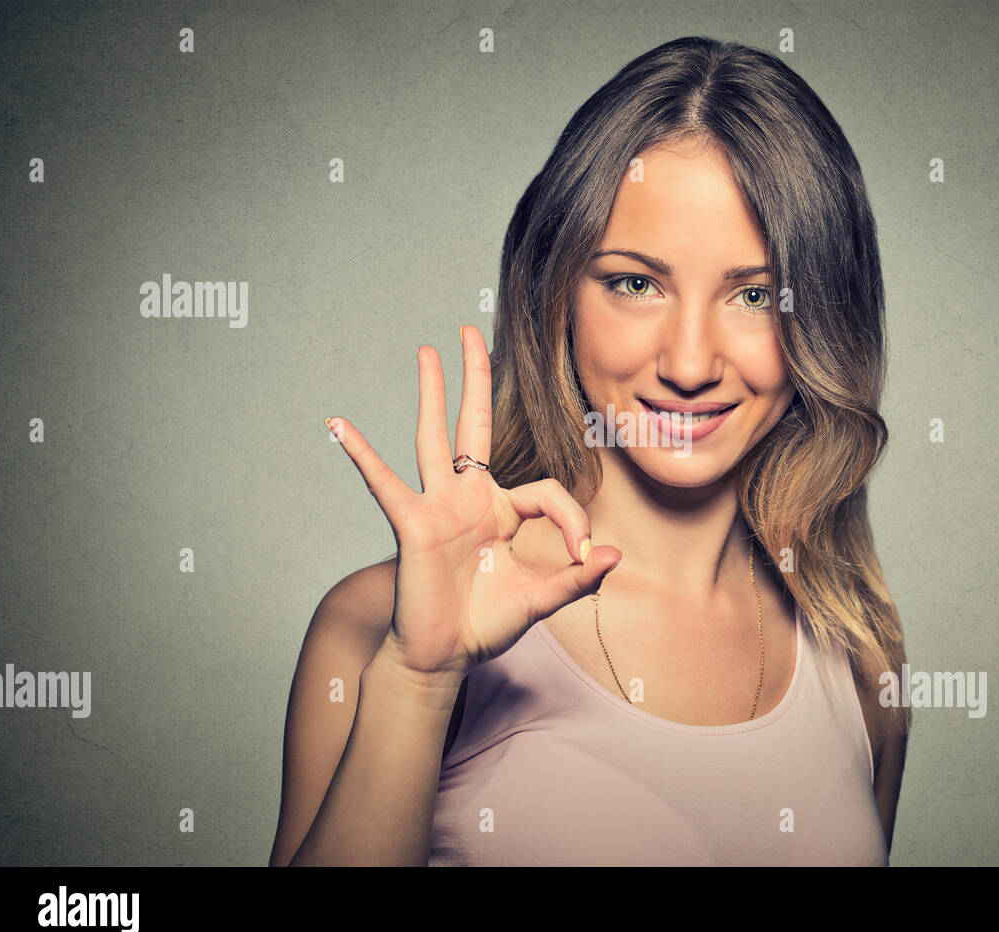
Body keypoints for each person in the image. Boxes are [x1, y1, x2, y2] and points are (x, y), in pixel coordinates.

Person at [269, 36, 909, 867]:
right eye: (635, 284)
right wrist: (420, 679)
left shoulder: (859, 655)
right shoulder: (376, 628)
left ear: (823, 320)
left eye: (754, 295)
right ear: (555, 295)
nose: (688, 365)